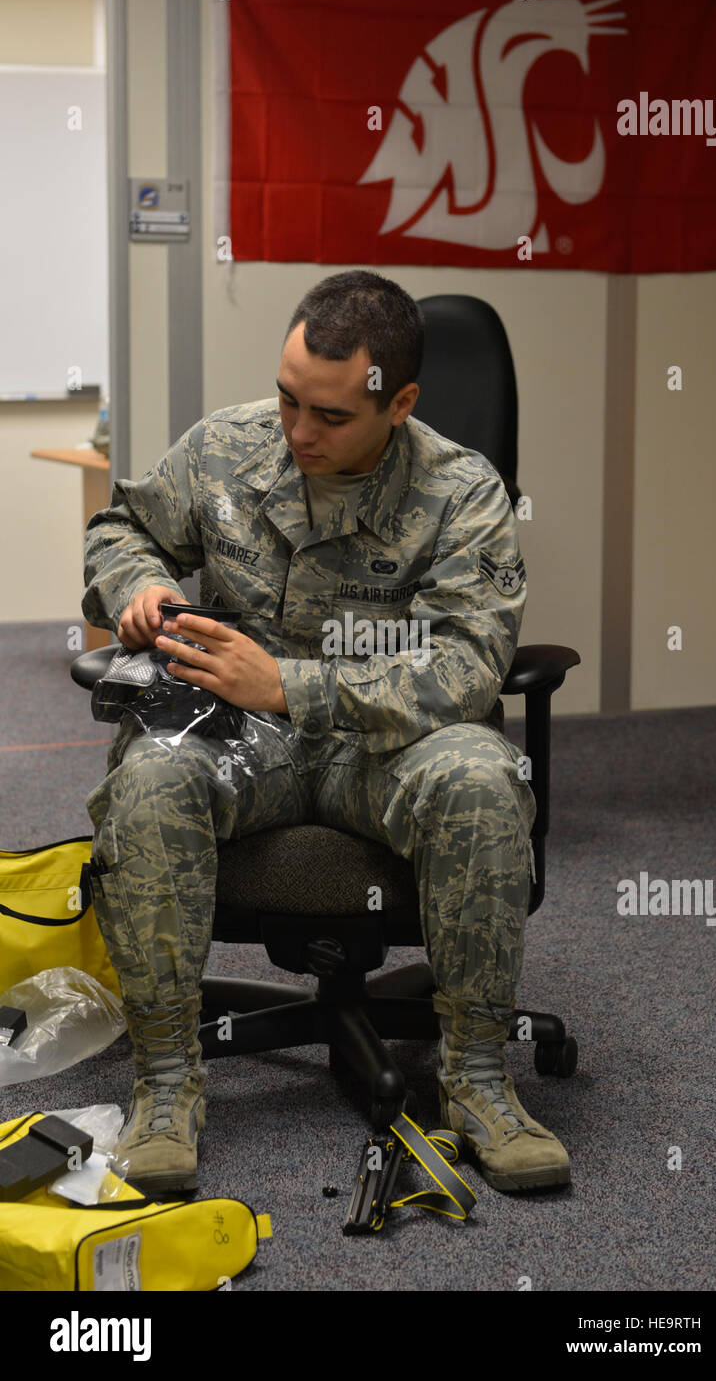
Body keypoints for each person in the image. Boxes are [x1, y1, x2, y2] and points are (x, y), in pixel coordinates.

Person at [82, 270, 570, 1197]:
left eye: (331, 415)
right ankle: (167, 1084)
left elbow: (467, 664)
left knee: (480, 778)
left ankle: (474, 1080)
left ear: (399, 403)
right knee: (149, 777)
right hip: (241, 736)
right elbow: (121, 527)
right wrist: (138, 584)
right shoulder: (225, 448)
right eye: (288, 399)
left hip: (389, 745)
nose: (299, 431)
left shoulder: (461, 491)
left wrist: (290, 685)